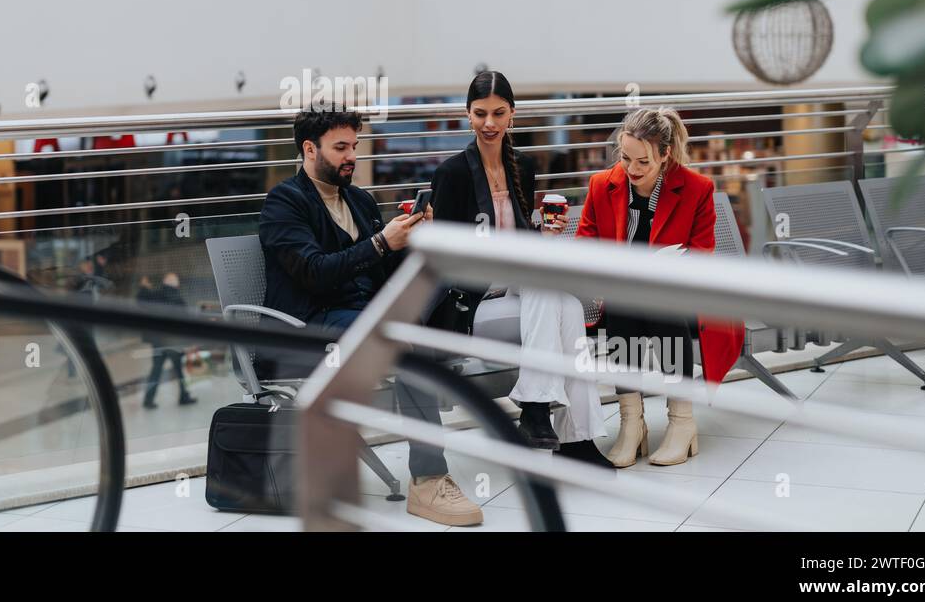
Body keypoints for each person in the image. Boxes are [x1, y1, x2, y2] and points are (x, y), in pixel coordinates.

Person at [259, 107, 483, 527]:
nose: (351, 157)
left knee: (435, 300)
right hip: (309, 328)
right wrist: (381, 242)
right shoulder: (283, 202)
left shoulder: (359, 201)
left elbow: (383, 277)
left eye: (354, 147)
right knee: (404, 340)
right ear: (310, 149)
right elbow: (314, 273)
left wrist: (416, 242)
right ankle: (429, 479)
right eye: (340, 147)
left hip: (363, 318)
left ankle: (431, 465)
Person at [430, 71, 610, 468]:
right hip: (474, 299)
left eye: (498, 113)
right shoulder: (452, 174)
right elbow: (444, 256)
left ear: (513, 114)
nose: (489, 124)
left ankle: (558, 424)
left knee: (565, 304)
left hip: (519, 290)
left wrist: (542, 232)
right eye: (480, 114)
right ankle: (550, 418)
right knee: (553, 297)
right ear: (468, 114)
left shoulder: (522, 168)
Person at [577, 107, 743, 467]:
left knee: (657, 305)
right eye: (625, 158)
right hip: (624, 295)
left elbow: (701, 256)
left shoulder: (697, 189)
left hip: (683, 295)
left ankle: (681, 422)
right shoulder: (601, 185)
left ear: (665, 155)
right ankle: (631, 423)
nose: (631, 170)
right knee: (625, 305)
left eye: (643, 162)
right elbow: (585, 244)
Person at [141, 272, 199, 409]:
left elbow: (141, 303)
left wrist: (143, 288)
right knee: (179, 371)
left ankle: (148, 400)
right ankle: (184, 396)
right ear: (173, 282)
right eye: (176, 281)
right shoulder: (177, 298)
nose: (178, 283)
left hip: (158, 342)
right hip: (173, 343)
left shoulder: (154, 295)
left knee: (155, 370)